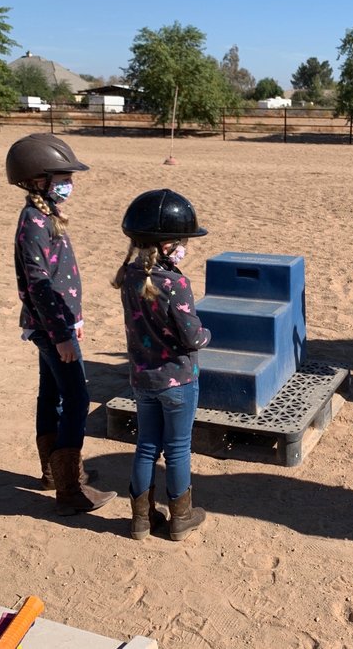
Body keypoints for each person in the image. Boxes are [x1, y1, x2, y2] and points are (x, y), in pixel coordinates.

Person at [6, 133, 116, 516]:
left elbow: (60, 275)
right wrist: (63, 334)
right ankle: (70, 488)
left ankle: (55, 473)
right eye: (63, 176)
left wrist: (77, 317)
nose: (70, 183)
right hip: (51, 328)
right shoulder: (34, 222)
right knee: (78, 398)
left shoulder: (44, 216)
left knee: (50, 394)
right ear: (38, 180)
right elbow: (39, 284)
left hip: (56, 325)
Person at [112, 188, 211, 541]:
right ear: (166, 244)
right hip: (178, 381)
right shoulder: (176, 283)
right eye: (181, 239)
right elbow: (191, 336)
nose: (185, 245)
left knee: (146, 445)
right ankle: (180, 517)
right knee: (179, 447)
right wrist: (207, 336)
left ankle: (140, 520)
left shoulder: (129, 277)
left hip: (143, 379)